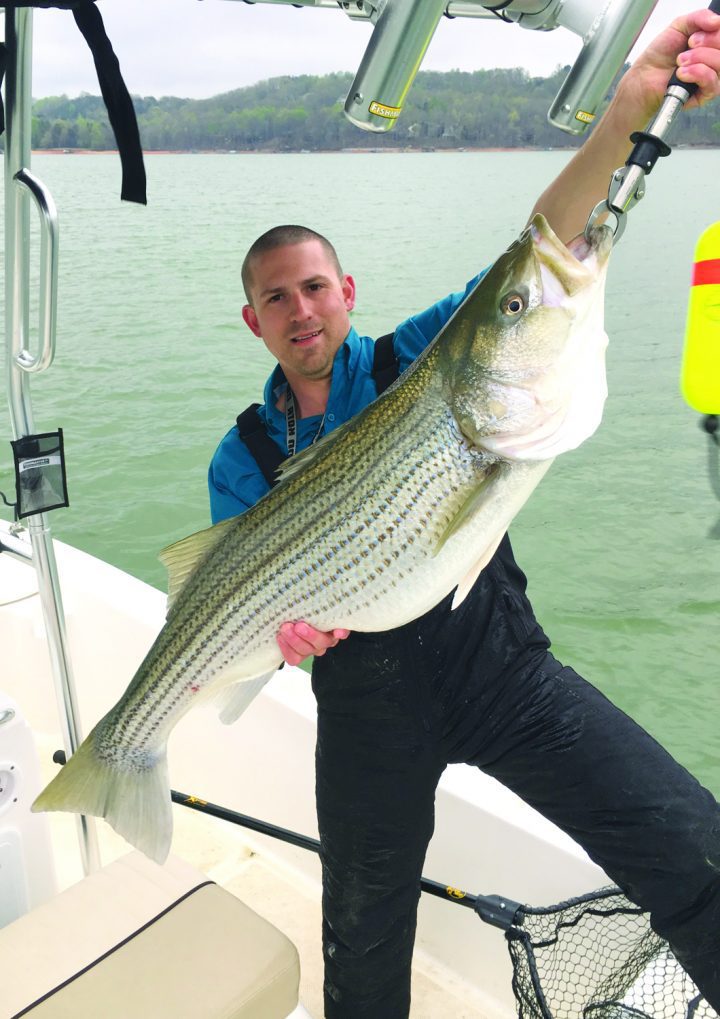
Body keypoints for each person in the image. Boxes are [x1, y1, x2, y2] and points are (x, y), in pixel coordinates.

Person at [209, 11, 720, 1017]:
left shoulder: (426, 353)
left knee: (690, 841)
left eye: (315, 285)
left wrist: (631, 106)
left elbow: (538, 249)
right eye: (278, 297)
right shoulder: (244, 456)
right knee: (362, 939)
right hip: (365, 716)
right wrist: (285, 637)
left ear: (346, 290)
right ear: (255, 319)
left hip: (503, 674)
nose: (301, 307)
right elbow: (251, 617)